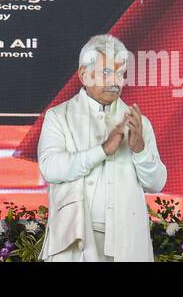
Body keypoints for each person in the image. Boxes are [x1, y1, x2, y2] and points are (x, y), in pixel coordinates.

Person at [37, 33, 166, 261]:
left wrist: (140, 150)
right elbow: (51, 169)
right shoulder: (59, 117)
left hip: (126, 238)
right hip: (74, 237)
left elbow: (156, 183)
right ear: (84, 75)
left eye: (120, 73)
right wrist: (102, 151)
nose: (115, 81)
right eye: (106, 72)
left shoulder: (138, 122)